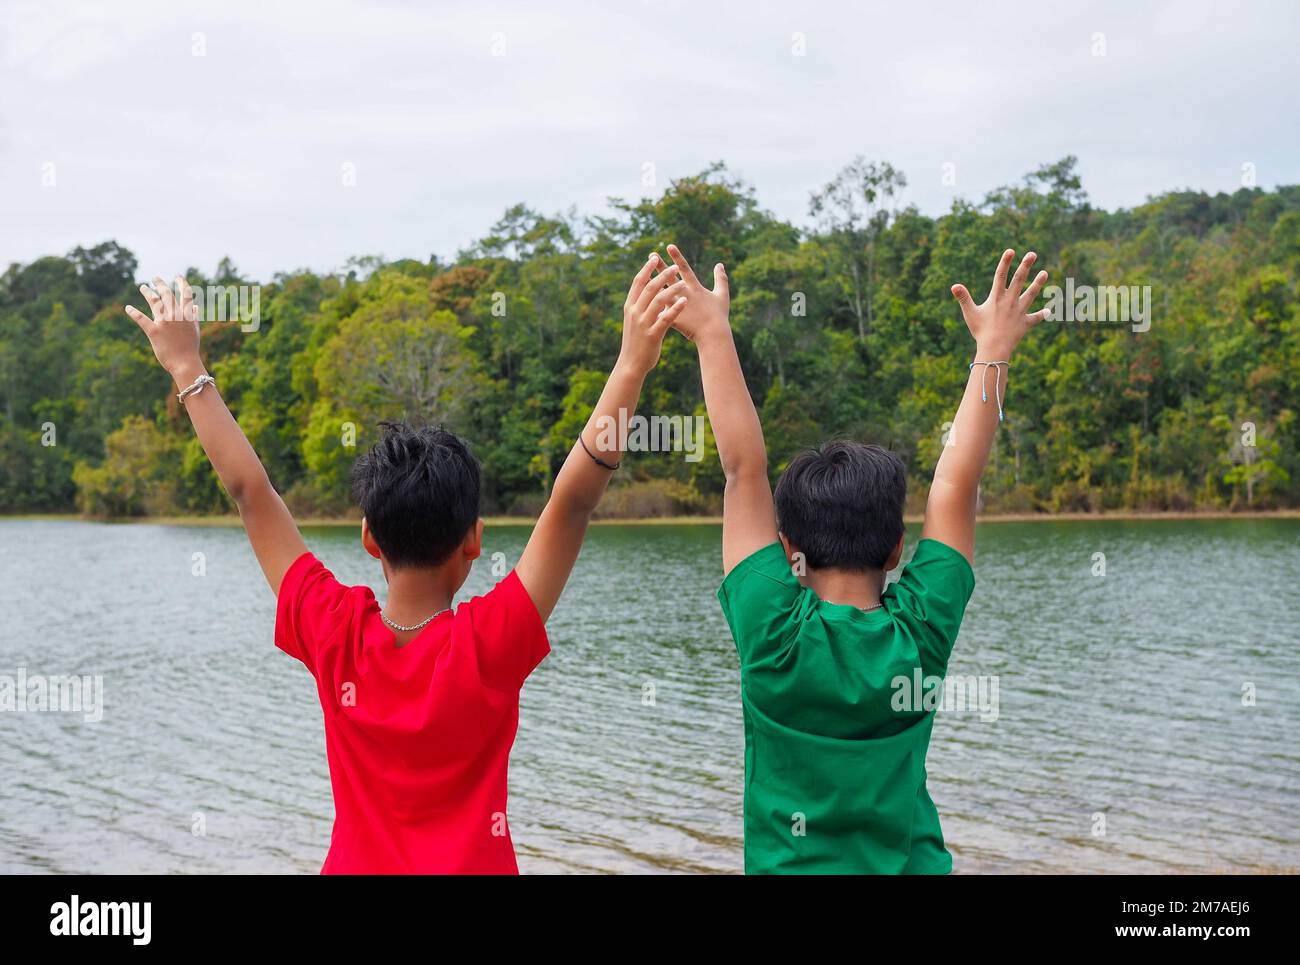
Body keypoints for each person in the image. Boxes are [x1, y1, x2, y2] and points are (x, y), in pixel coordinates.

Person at [124, 255, 688, 873]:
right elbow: (574, 500)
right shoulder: (489, 643)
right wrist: (633, 361)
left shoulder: (333, 630)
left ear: (369, 537)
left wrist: (188, 367)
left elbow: (252, 493)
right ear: (474, 541)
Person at [663, 243, 1048, 873]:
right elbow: (955, 483)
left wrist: (712, 333)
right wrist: (991, 353)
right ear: (899, 548)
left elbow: (742, 470)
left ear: (789, 552)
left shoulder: (771, 636)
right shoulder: (919, 634)